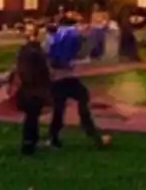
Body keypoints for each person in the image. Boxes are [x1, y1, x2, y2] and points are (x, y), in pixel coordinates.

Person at [47, 13, 111, 150]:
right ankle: (89, 130)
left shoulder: (54, 37)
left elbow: (50, 55)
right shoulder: (70, 35)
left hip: (57, 80)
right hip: (66, 78)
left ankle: (54, 138)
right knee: (82, 98)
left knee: (59, 109)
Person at [9, 37, 53, 156]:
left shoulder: (22, 63)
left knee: (30, 118)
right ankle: (29, 144)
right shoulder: (39, 63)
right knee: (33, 119)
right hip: (36, 93)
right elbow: (46, 77)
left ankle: (30, 142)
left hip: (25, 93)